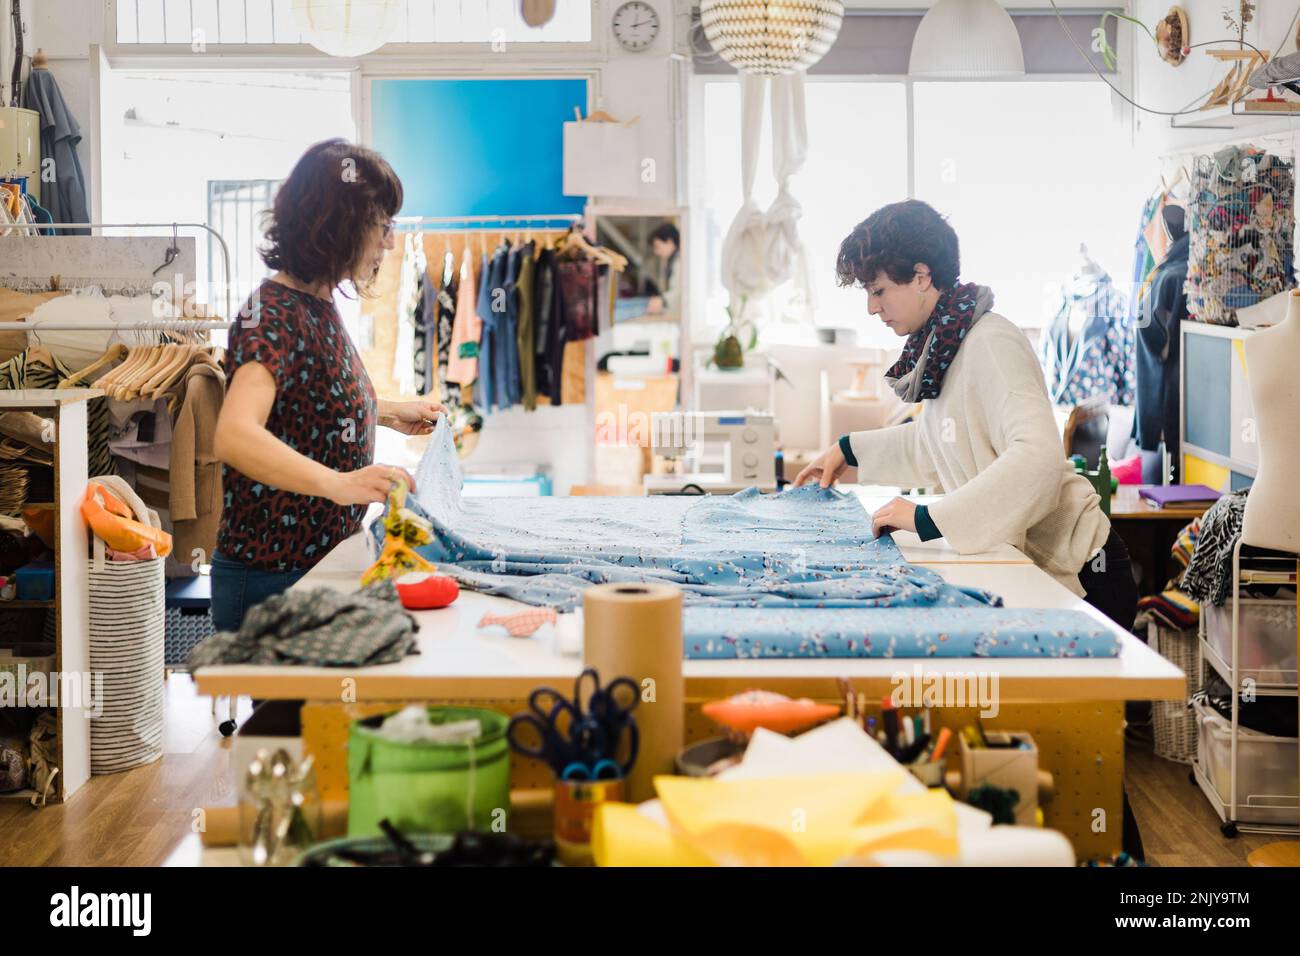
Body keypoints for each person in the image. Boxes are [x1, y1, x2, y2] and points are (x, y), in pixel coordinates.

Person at [794, 200, 1137, 630]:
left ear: (921, 277)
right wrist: (848, 450)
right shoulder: (943, 349)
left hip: (1087, 570)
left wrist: (927, 518)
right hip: (1041, 564)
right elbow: (936, 442)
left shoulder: (990, 342)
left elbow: (1038, 458)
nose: (871, 308)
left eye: (878, 291)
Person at [211, 139, 444, 632]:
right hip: (273, 575)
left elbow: (305, 399)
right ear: (339, 225)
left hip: (314, 564)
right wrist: (341, 484)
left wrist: (385, 411)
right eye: (382, 227)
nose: (388, 243)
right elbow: (235, 434)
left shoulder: (316, 304)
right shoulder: (271, 314)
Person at [645, 221, 680, 316]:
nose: (656, 252)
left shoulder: (680, 263)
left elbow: (679, 292)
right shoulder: (670, 262)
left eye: (658, 247)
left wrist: (662, 301)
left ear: (669, 242)